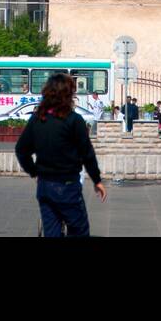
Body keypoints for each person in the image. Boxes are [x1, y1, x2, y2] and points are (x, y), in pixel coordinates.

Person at [15, 73, 107, 237]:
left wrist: (34, 171)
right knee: (79, 230)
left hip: (44, 185)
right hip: (67, 184)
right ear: (69, 94)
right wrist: (97, 180)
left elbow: (21, 150)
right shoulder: (73, 120)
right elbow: (87, 153)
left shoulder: (38, 119)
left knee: (51, 231)